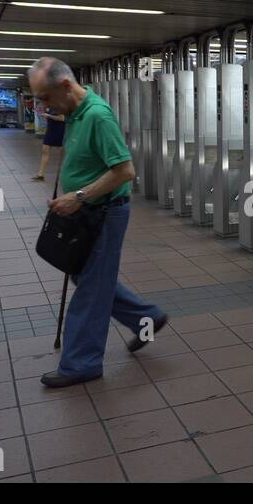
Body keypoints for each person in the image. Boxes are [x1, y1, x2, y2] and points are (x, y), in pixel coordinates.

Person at [27, 57, 166, 387]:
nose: (42, 105)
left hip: (104, 212)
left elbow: (124, 171)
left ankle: (81, 363)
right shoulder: (74, 113)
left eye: (44, 97)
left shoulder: (98, 116)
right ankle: (146, 316)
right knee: (87, 276)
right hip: (86, 212)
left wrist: (79, 196)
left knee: (90, 288)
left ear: (65, 86)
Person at [32, 106, 65, 181]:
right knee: (44, 150)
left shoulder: (60, 106)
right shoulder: (50, 106)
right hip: (50, 130)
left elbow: (62, 118)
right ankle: (41, 175)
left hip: (59, 131)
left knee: (63, 153)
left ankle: (68, 171)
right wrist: (45, 116)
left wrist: (49, 116)